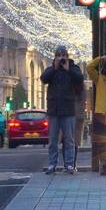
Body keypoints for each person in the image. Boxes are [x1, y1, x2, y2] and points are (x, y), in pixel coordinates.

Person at [40, 45, 84, 174]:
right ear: (55, 56)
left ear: (67, 56)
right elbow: (44, 78)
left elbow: (79, 78)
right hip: (54, 110)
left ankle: (69, 165)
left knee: (69, 139)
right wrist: (54, 68)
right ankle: (52, 164)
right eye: (59, 55)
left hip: (68, 110)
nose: (61, 57)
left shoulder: (73, 68)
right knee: (53, 140)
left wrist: (68, 69)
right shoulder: (52, 68)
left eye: (63, 55)